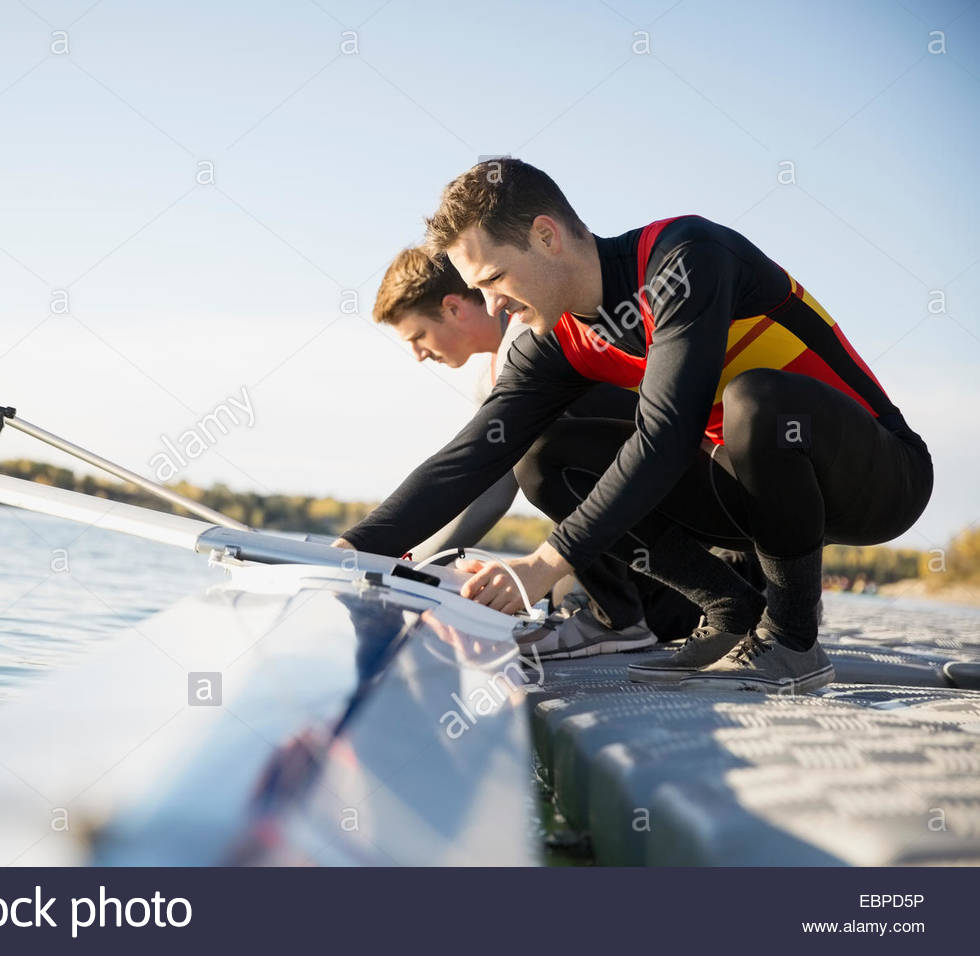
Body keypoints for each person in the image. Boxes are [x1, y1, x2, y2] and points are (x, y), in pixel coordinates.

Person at [336, 158, 932, 693]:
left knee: (755, 400)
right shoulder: (554, 340)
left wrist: (545, 565)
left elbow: (666, 434)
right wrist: (352, 553)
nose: (492, 307)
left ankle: (793, 641)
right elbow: (470, 457)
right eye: (477, 290)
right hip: (753, 496)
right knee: (544, 457)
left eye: (493, 280)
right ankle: (732, 612)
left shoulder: (684, 258)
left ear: (546, 237)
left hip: (879, 478)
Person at [367, 247, 702, 657]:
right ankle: (614, 612)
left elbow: (510, 472)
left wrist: (400, 565)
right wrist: (413, 567)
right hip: (646, 563)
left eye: (418, 336)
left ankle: (620, 619)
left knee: (544, 455)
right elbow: (490, 489)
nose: (419, 355)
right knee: (557, 595)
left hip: (696, 559)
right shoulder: (492, 376)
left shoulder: (533, 340)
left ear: (453, 308)